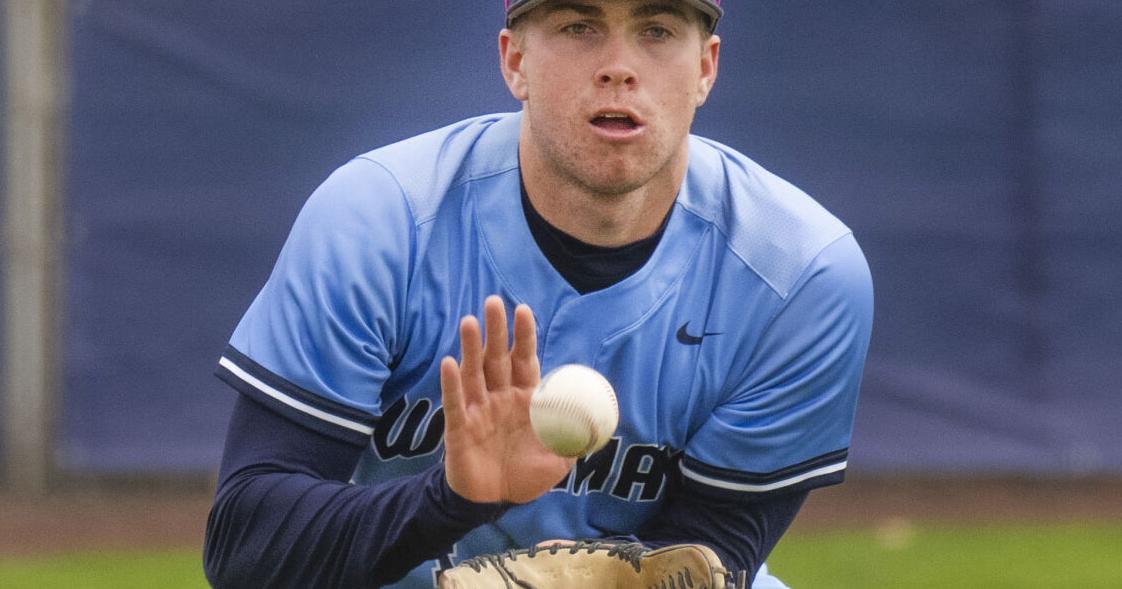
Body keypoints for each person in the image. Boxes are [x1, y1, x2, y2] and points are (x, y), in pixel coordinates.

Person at [203, 1, 874, 587]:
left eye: (658, 29)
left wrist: (606, 571)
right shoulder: (380, 222)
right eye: (579, 25)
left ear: (705, 68)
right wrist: (451, 498)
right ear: (514, 59)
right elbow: (247, 545)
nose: (618, 66)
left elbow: (716, 547)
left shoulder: (799, 276)